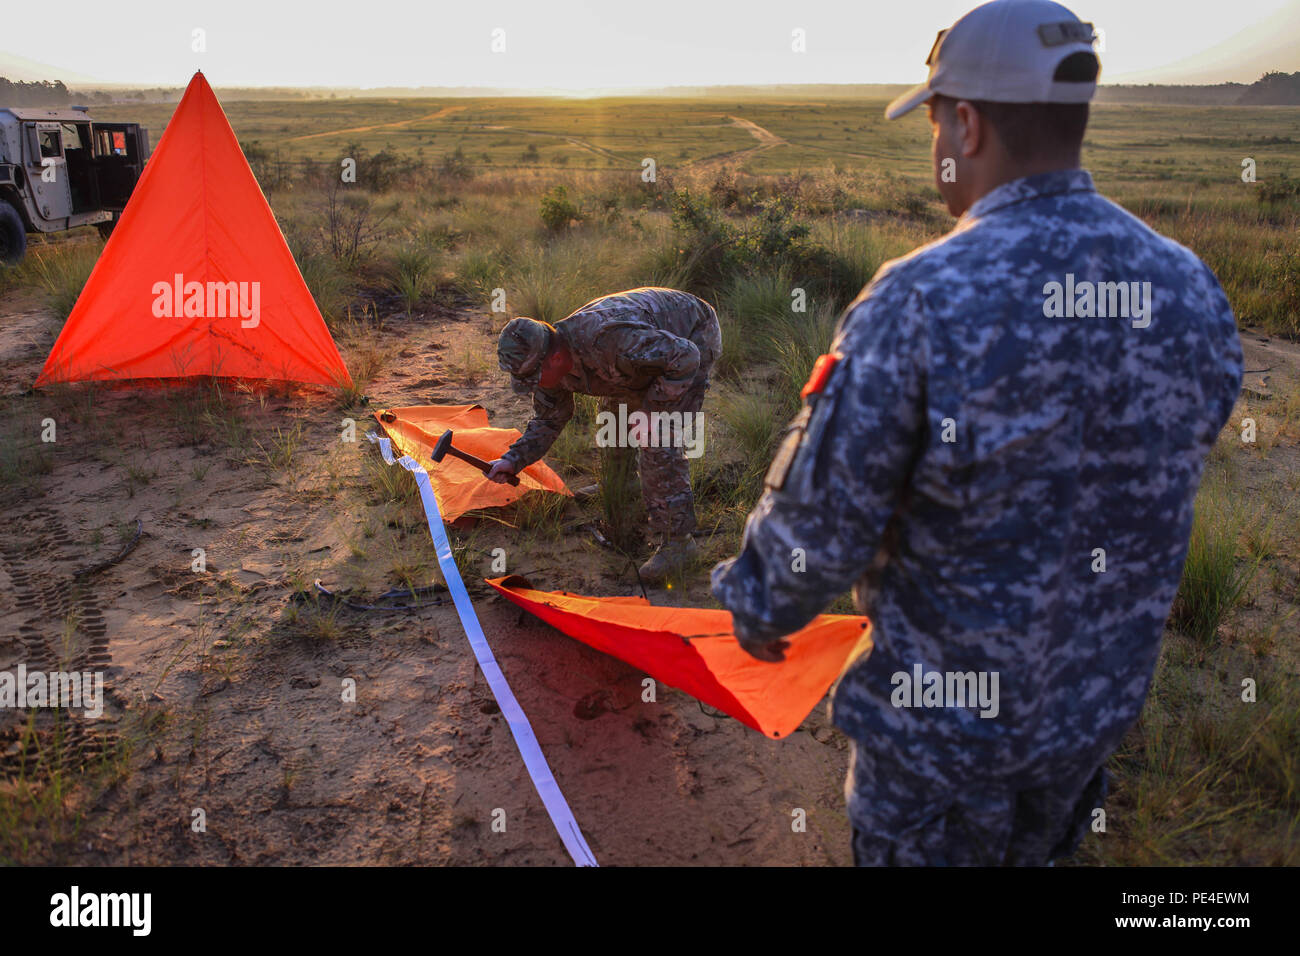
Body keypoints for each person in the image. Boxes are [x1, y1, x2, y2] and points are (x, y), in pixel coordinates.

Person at [711, 0, 1243, 866]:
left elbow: (824, 520)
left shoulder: (920, 297)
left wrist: (759, 602)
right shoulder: (1188, 288)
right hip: (1089, 719)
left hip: (941, 743)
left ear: (966, 121)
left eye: (932, 119)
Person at [491, 287, 722, 584]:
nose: (533, 385)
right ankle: (622, 486)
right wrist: (514, 459)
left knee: (656, 437)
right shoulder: (549, 362)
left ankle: (679, 543)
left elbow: (685, 356)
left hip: (692, 334)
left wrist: (653, 411)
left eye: (533, 377)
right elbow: (549, 419)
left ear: (556, 358)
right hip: (641, 358)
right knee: (614, 419)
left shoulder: (608, 340)